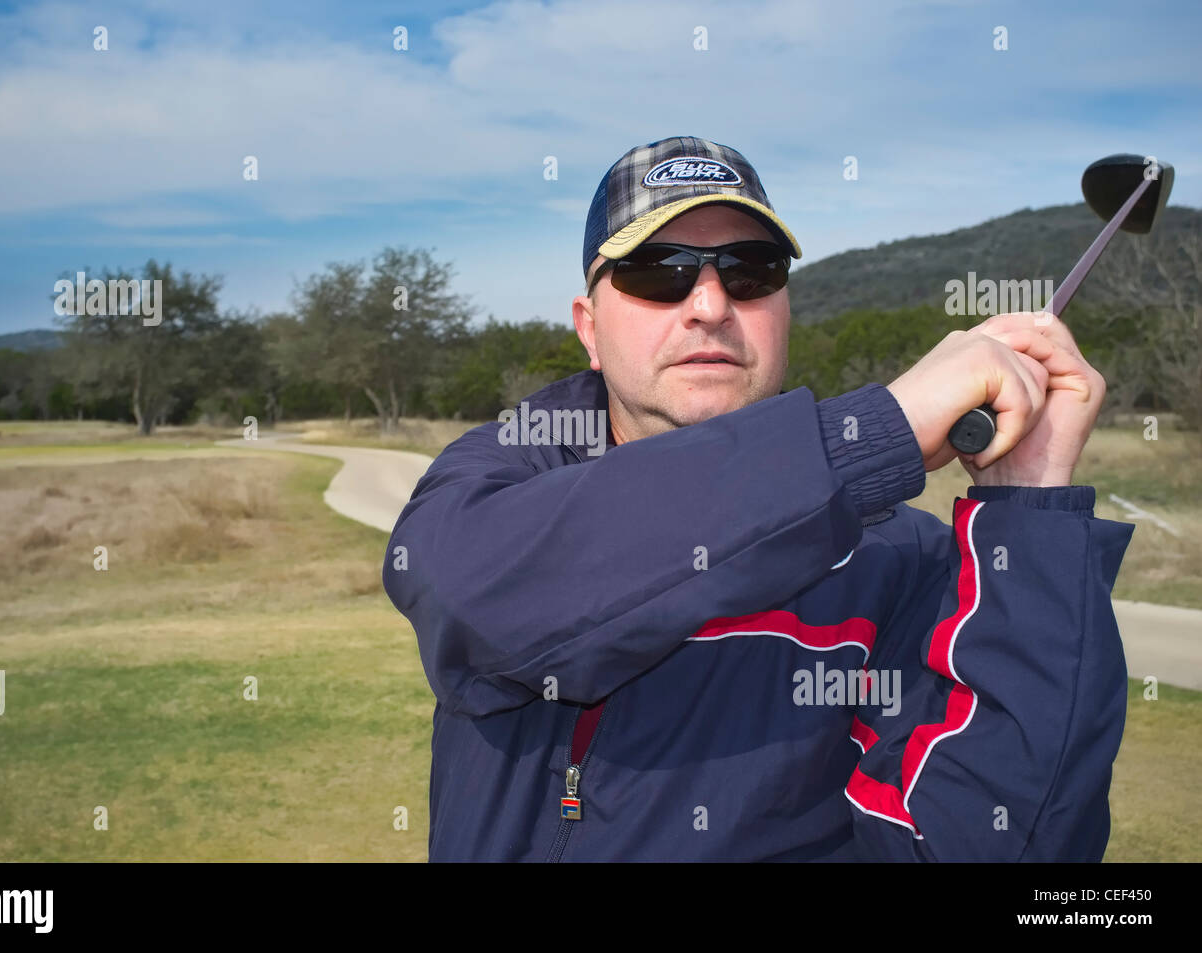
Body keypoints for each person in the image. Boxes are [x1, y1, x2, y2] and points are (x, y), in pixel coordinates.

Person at [383, 135, 1133, 861]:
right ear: (589, 328)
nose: (710, 303)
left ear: (783, 309)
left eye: (751, 269)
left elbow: (988, 845)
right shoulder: (504, 474)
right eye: (658, 270)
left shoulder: (899, 562)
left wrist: (1027, 504)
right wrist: (876, 434)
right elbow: (470, 599)